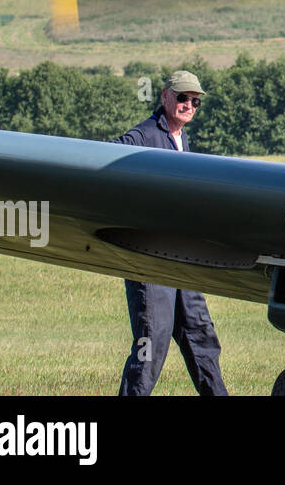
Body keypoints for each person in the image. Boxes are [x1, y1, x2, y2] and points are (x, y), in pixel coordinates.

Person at [111, 70, 229, 396]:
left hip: (181, 258)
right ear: (165, 96)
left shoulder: (180, 138)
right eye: (182, 97)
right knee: (152, 344)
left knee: (201, 336)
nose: (188, 105)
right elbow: (111, 156)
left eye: (195, 101)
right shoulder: (146, 134)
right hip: (151, 260)